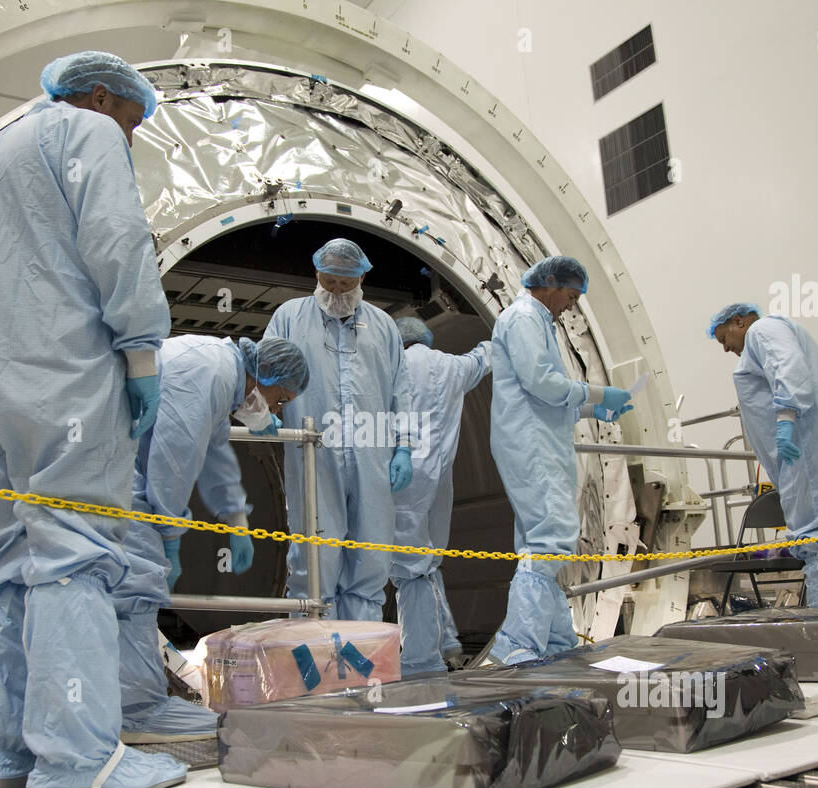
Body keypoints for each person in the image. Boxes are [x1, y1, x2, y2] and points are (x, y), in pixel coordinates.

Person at [0, 51, 185, 788]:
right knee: (75, 548)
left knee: (6, 560)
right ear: (99, 95)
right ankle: (78, 756)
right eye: (132, 120)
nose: (130, 136)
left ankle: (8, 752)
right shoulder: (86, 132)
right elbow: (117, 241)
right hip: (61, 372)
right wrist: (142, 348)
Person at [114, 336, 310, 741]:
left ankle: (132, 707)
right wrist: (169, 538)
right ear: (265, 375)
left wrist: (237, 518)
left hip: (119, 473)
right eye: (280, 398)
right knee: (136, 589)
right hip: (115, 478)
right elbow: (172, 461)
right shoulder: (209, 372)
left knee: (133, 589)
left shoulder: (224, 375)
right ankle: (137, 713)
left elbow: (217, 452)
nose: (276, 410)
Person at [484, 256, 632, 666]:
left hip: (538, 436)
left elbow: (550, 398)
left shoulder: (538, 323)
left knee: (542, 542)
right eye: (570, 296)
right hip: (531, 442)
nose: (571, 306)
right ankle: (519, 643)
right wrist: (599, 394)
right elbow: (542, 384)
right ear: (548, 283)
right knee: (552, 537)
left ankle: (553, 643)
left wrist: (592, 411)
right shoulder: (523, 318)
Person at [263, 239, 413, 620]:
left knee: (372, 552)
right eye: (329, 283)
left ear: (362, 277)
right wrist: (262, 418)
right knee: (316, 554)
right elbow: (264, 373)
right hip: (314, 453)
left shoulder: (383, 327)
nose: (336, 293)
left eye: (345, 285)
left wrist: (404, 447)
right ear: (317, 274)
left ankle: (361, 654)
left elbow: (401, 390)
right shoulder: (289, 317)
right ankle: (315, 650)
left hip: (372, 453)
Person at [709, 303, 818, 605]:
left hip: (811, 443)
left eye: (723, 339)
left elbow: (788, 368)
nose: (725, 348)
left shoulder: (762, 330)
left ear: (739, 321)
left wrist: (785, 419)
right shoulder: (773, 333)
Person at [388, 315, 491, 676]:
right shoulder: (452, 366)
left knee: (407, 570)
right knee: (428, 562)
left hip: (398, 480)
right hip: (439, 484)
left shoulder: (389, 365)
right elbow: (485, 358)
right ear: (427, 339)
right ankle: (443, 641)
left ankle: (420, 659)